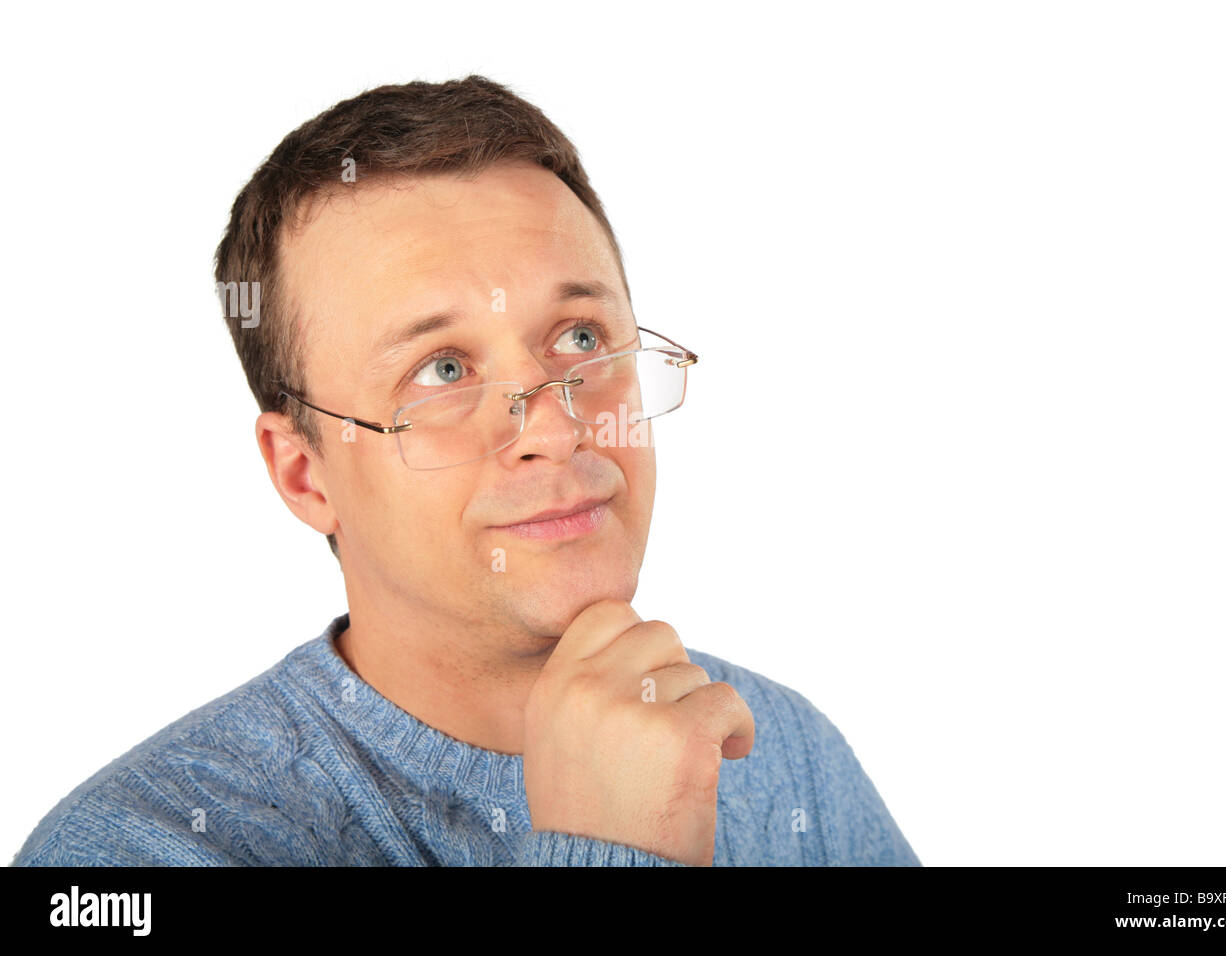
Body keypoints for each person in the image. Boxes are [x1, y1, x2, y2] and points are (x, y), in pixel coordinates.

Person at [13, 75, 919, 866]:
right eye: (443, 370)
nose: (557, 428)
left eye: (580, 338)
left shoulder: (786, 755)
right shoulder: (136, 850)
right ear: (304, 474)